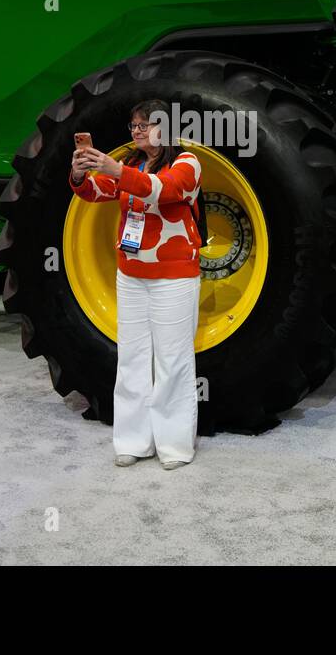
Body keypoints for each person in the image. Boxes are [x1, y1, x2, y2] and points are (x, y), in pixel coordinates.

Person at [68, 99, 204, 470]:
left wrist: (114, 169)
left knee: (173, 362)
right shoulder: (131, 164)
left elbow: (163, 190)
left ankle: (175, 446)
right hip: (130, 276)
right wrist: (80, 176)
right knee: (131, 359)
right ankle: (132, 441)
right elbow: (98, 193)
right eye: (133, 126)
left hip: (174, 279)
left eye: (145, 125)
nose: (137, 132)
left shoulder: (187, 163)